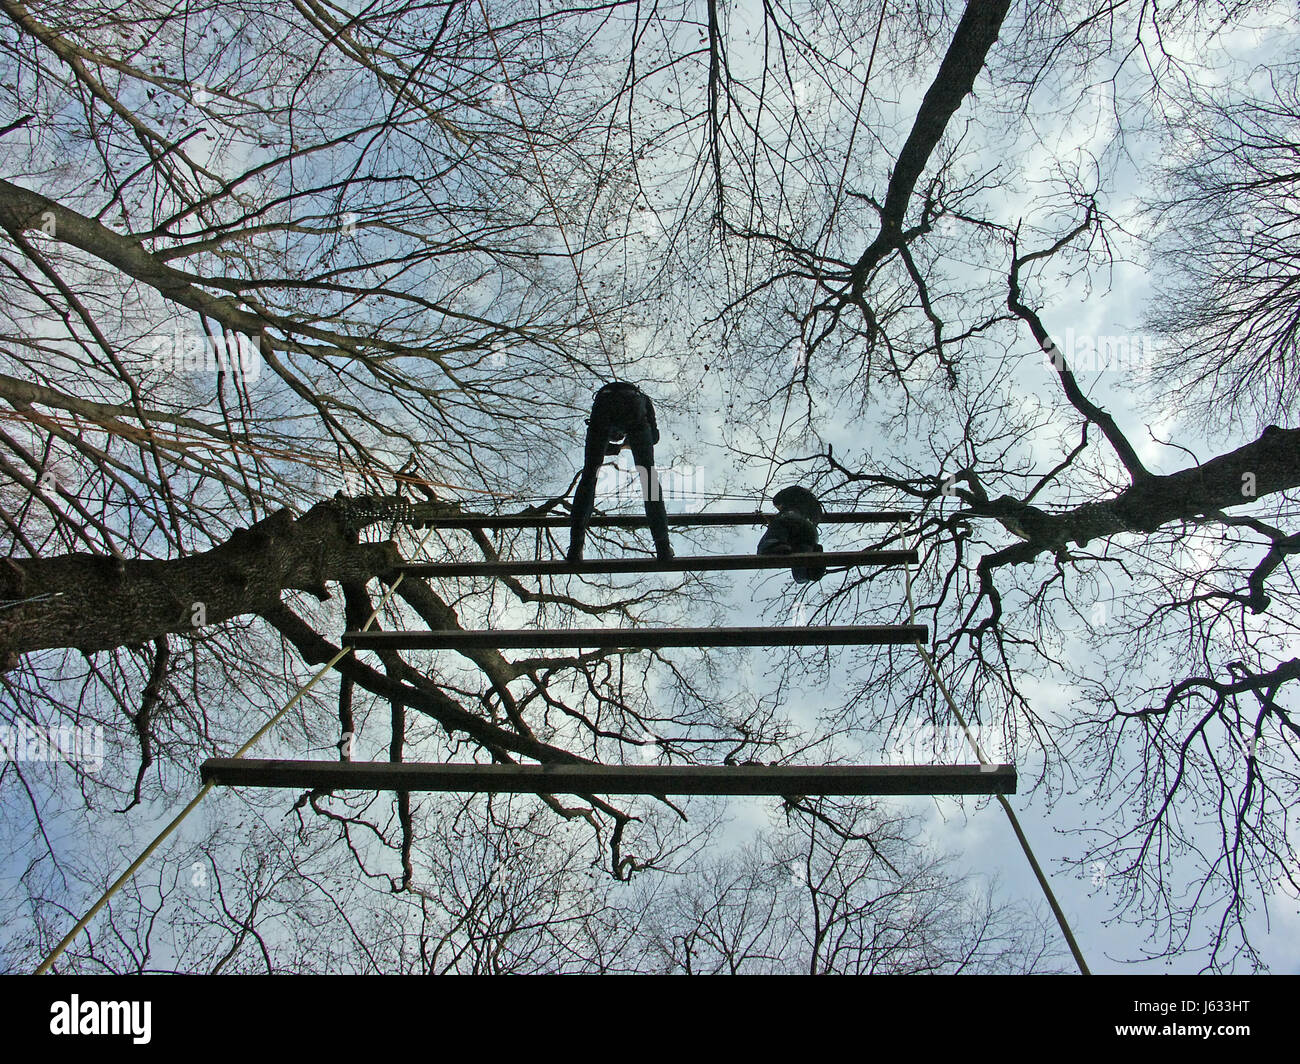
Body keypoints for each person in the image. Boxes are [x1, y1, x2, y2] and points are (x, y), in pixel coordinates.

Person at [567, 381, 674, 564]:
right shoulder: (643, 401)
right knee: (648, 479)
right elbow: (653, 437)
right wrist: (624, 446)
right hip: (633, 404)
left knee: (589, 476)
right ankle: (662, 546)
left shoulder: (602, 419)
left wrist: (618, 447)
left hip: (604, 403)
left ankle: (575, 547)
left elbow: (599, 446)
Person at [756, 486, 826, 582]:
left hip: (791, 521)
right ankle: (810, 571)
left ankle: (773, 544)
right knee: (800, 569)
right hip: (810, 533)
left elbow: (778, 502)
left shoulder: (789, 508)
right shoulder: (815, 508)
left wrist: (775, 521)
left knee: (765, 546)